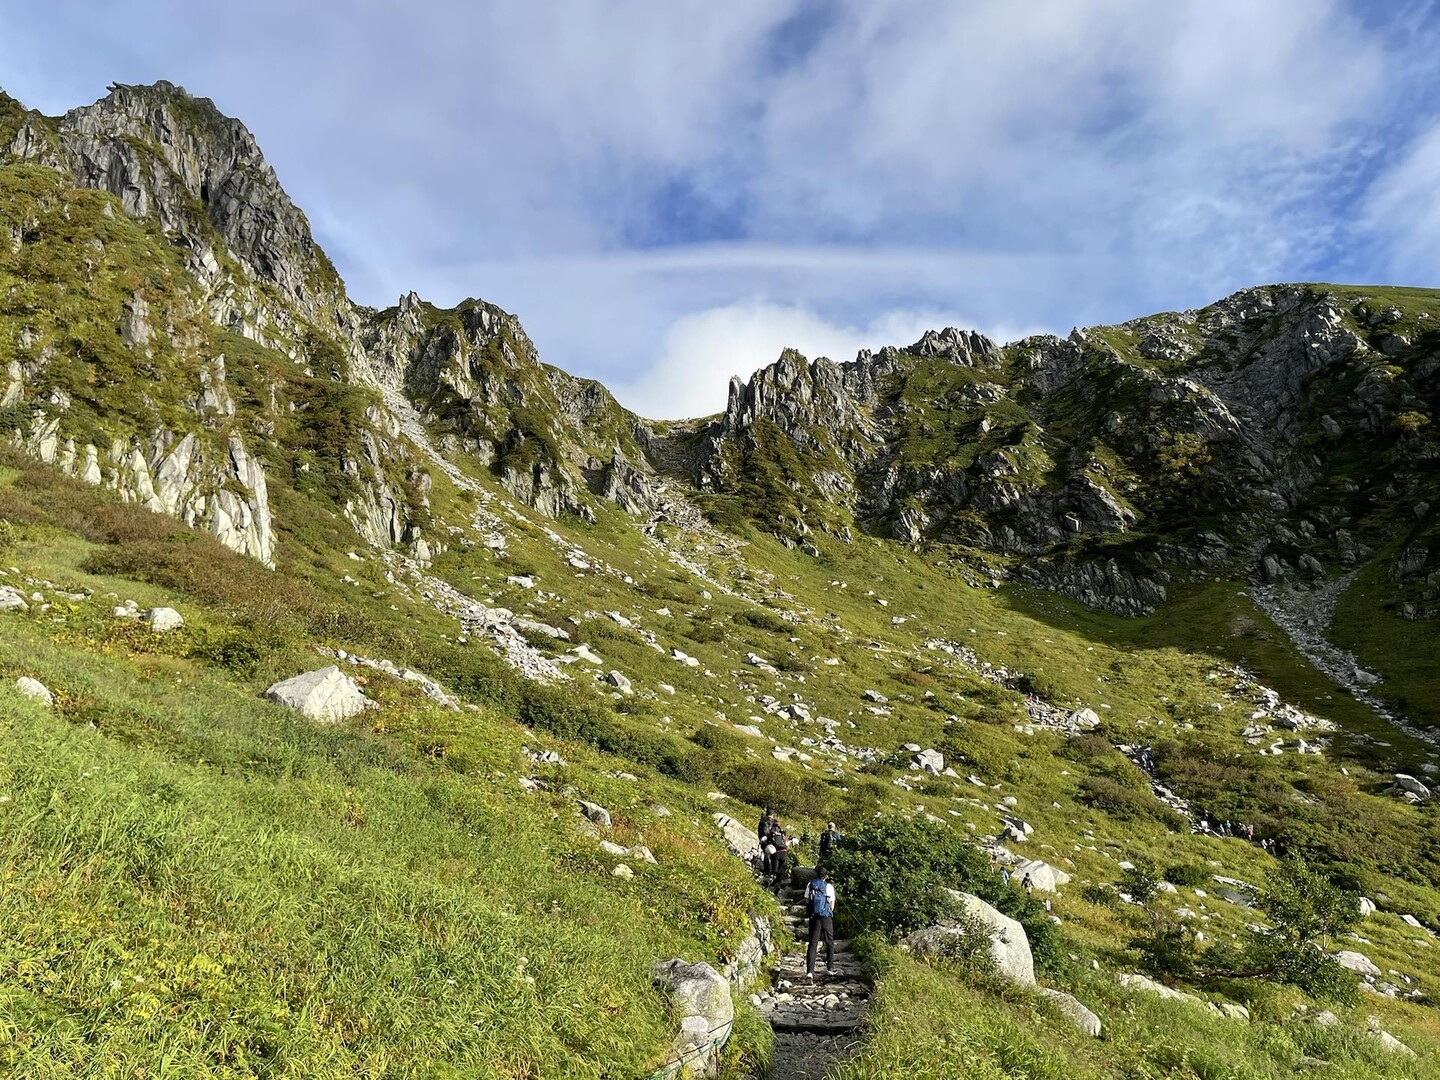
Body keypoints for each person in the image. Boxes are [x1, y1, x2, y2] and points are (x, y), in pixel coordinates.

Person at [804, 866, 837, 978]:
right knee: (829, 942)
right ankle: (830, 968)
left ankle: (810, 972)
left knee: (813, 944)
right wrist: (828, 911)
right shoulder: (828, 886)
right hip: (826, 917)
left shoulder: (810, 885)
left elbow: (807, 900)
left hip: (814, 917)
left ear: (816, 874)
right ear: (826, 876)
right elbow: (832, 904)